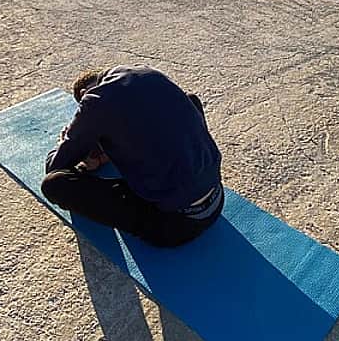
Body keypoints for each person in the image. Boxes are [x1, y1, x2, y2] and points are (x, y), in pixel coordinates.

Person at [41, 66, 224, 247]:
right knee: (189, 101)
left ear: (83, 93)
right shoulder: (149, 74)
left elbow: (55, 165)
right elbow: (145, 125)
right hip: (216, 197)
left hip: (177, 225)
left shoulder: (94, 101)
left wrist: (66, 143)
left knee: (54, 183)